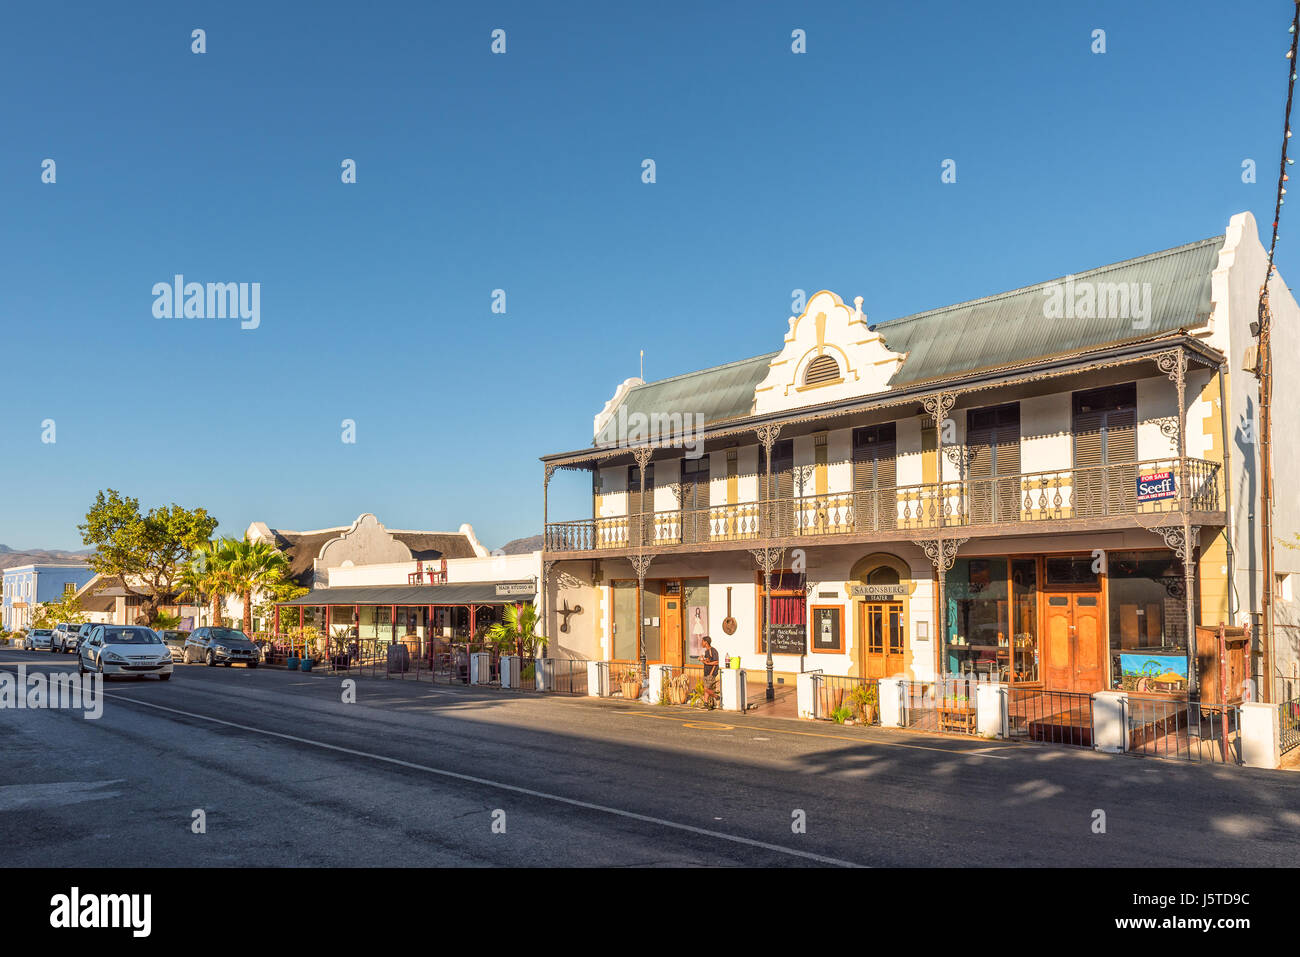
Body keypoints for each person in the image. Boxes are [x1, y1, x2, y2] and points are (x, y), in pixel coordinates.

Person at [700, 636, 720, 707]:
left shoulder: (713, 650)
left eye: (702, 641)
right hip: (706, 673)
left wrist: (707, 663)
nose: (701, 643)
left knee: (706, 689)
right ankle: (705, 703)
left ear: (706, 642)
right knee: (706, 688)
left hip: (711, 673)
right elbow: (707, 661)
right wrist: (702, 660)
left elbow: (716, 662)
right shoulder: (706, 651)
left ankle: (716, 697)